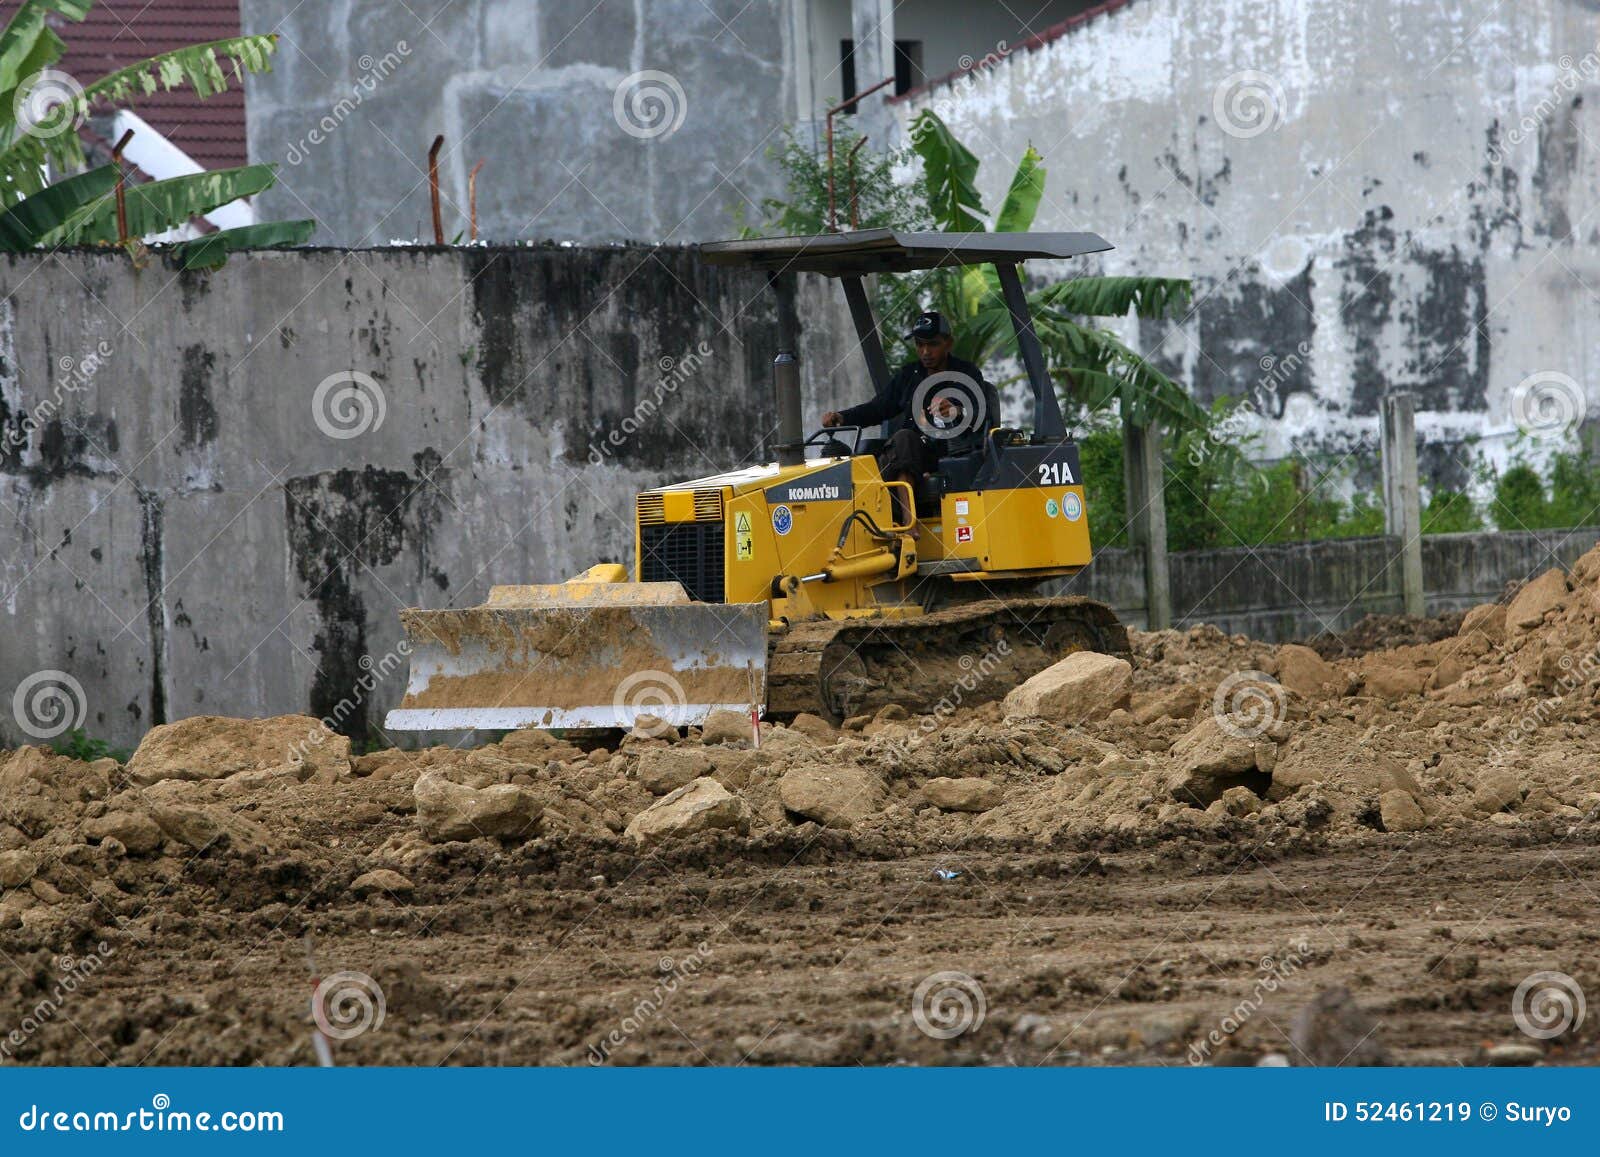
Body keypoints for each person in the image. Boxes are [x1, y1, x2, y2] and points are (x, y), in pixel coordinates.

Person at [821, 311, 999, 524]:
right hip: (909, 452)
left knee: (903, 438)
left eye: (932, 344)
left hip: (948, 451)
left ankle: (908, 523)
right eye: (919, 345)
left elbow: (981, 413)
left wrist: (957, 410)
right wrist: (843, 417)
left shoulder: (966, 374)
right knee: (864, 455)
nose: (925, 352)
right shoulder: (909, 375)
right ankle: (865, 523)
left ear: (948, 343)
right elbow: (878, 408)